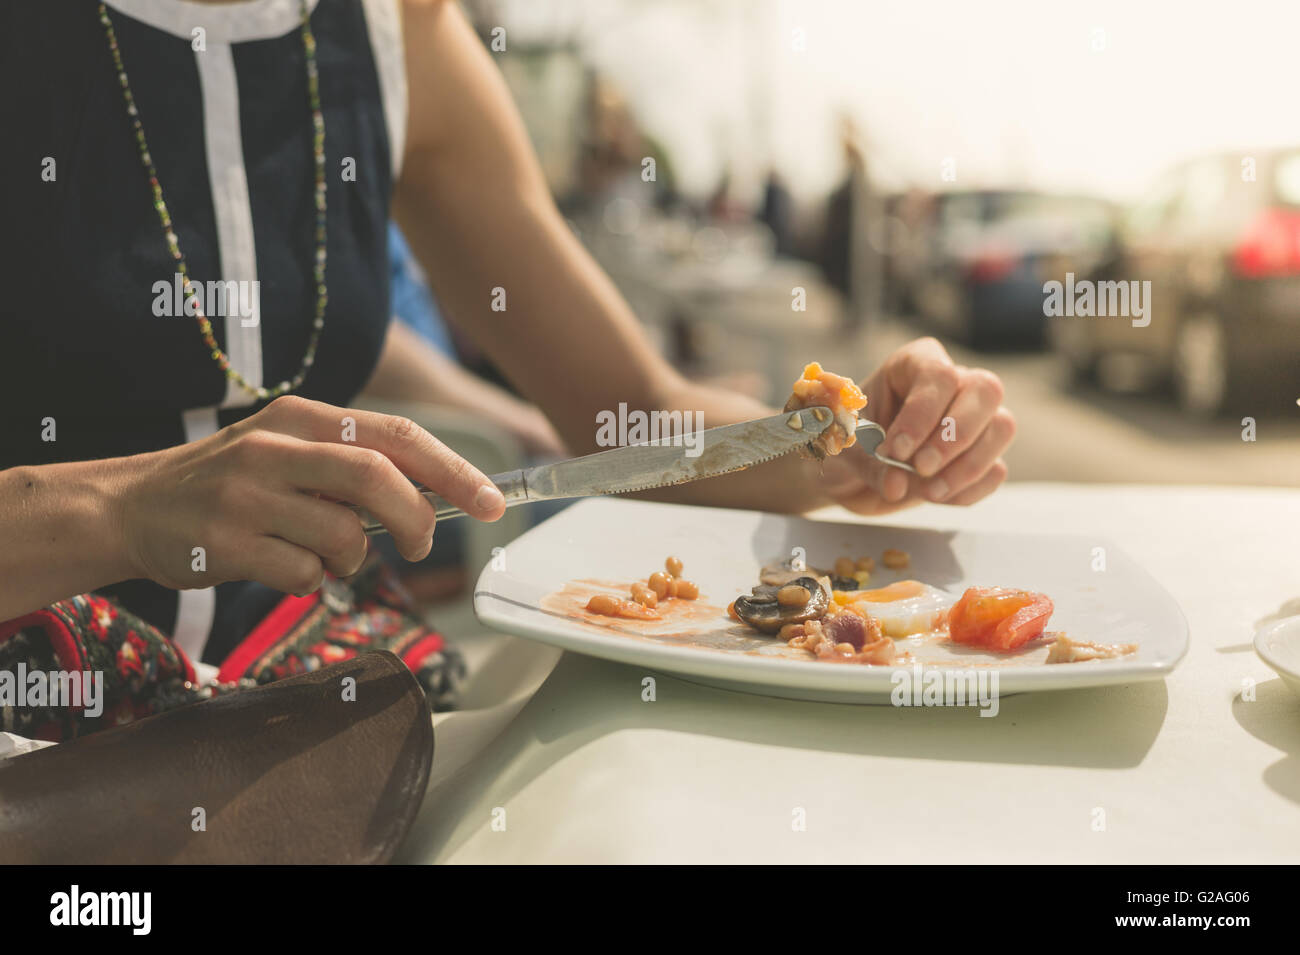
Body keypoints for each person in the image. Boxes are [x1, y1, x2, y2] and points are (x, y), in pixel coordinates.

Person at [0, 0, 1015, 674]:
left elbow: (635, 417)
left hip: (309, 707)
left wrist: (841, 446)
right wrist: (120, 509)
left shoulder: (400, 31)